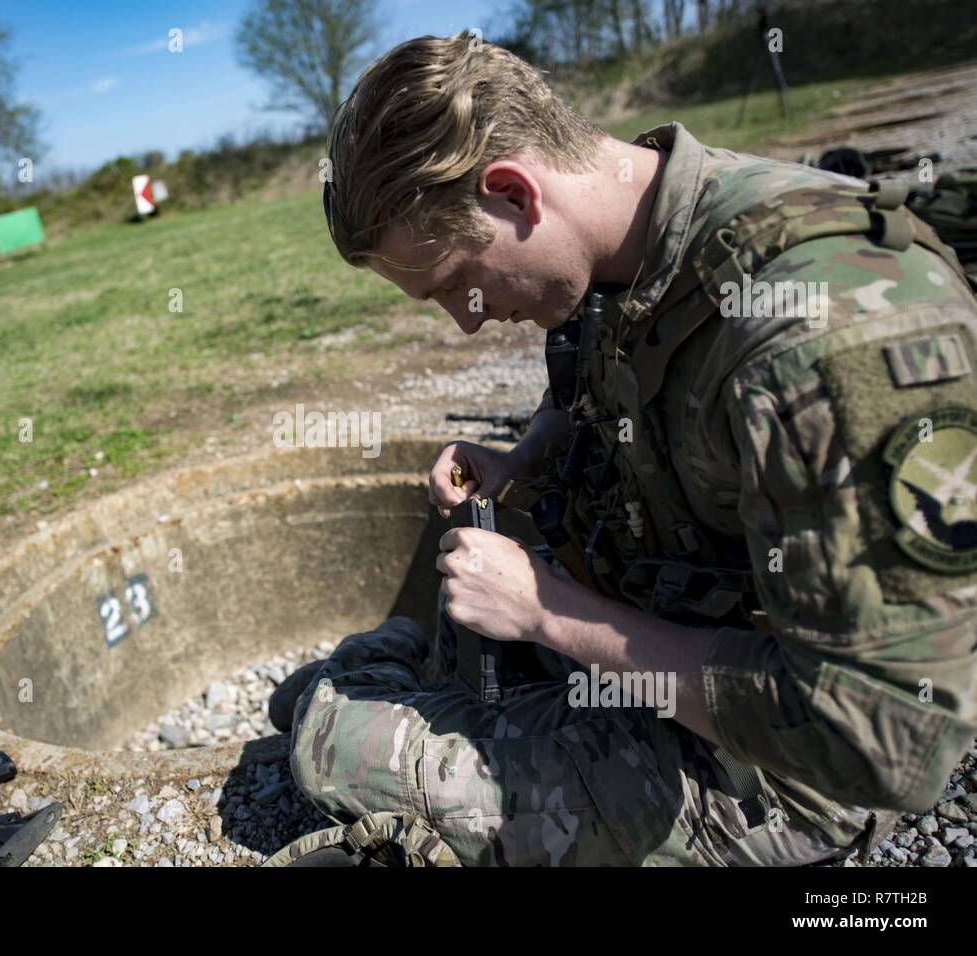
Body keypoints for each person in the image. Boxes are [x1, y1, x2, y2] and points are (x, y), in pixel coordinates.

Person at [277, 32, 977, 866]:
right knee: (361, 692)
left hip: (775, 766)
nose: (464, 322)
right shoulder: (621, 244)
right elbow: (602, 393)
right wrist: (526, 455)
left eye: (452, 285)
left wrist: (550, 613)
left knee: (331, 742)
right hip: (656, 629)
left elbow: (887, 738)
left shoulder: (820, 332)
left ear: (511, 193)